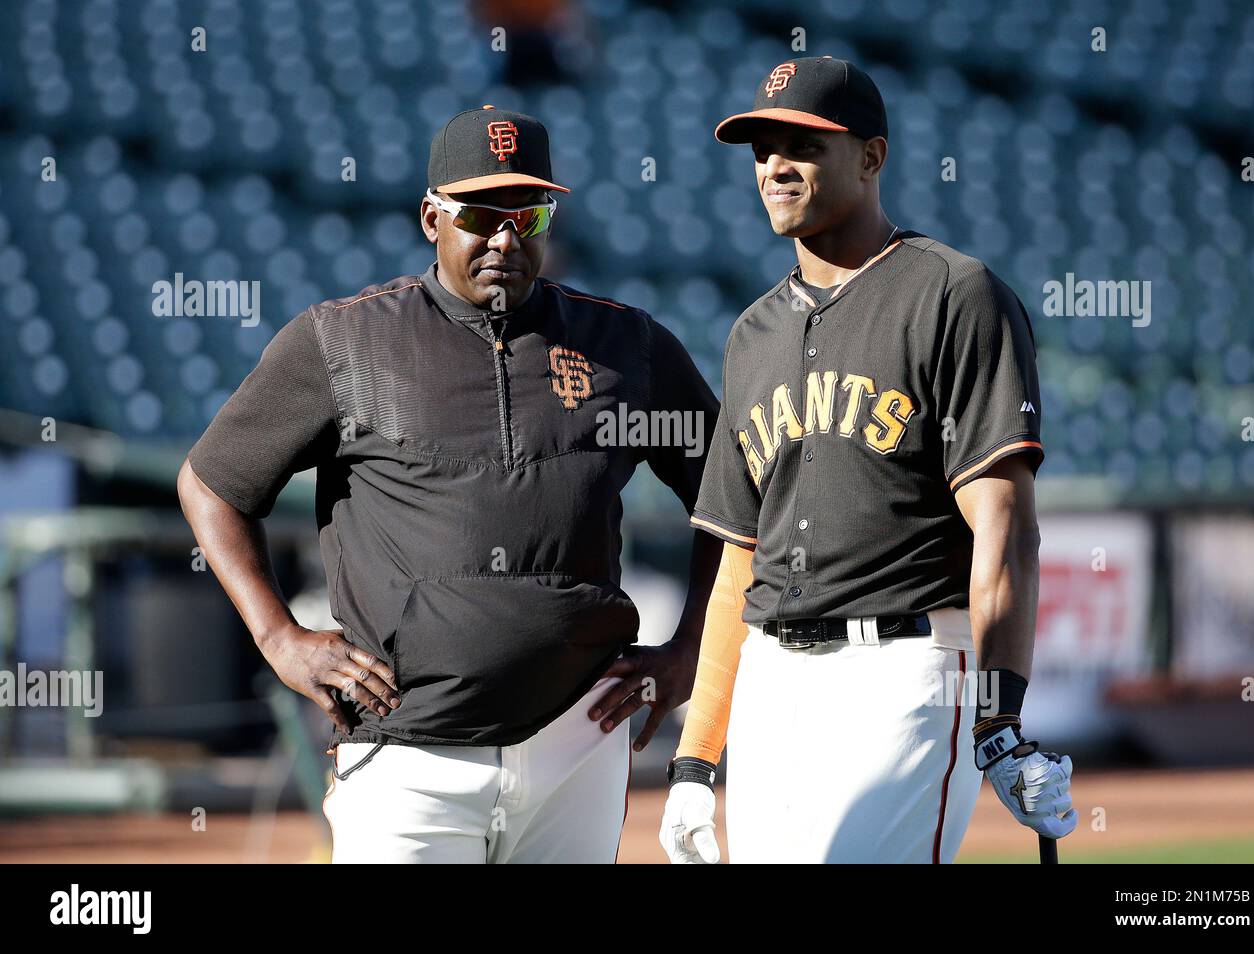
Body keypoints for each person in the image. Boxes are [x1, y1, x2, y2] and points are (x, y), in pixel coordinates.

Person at [178, 105, 722, 863]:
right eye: (480, 214)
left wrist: (691, 650)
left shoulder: (624, 345)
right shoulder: (344, 340)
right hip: (405, 748)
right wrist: (280, 639)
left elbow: (729, 495)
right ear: (432, 217)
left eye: (527, 215)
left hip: (579, 739)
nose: (506, 237)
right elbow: (212, 483)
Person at [659, 57, 1076, 864]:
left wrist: (1000, 717)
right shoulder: (752, 335)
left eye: (803, 146)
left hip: (905, 673)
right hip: (774, 683)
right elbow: (736, 562)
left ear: (872, 157)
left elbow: (1007, 530)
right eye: (761, 148)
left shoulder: (955, 295)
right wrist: (694, 760)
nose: (775, 165)